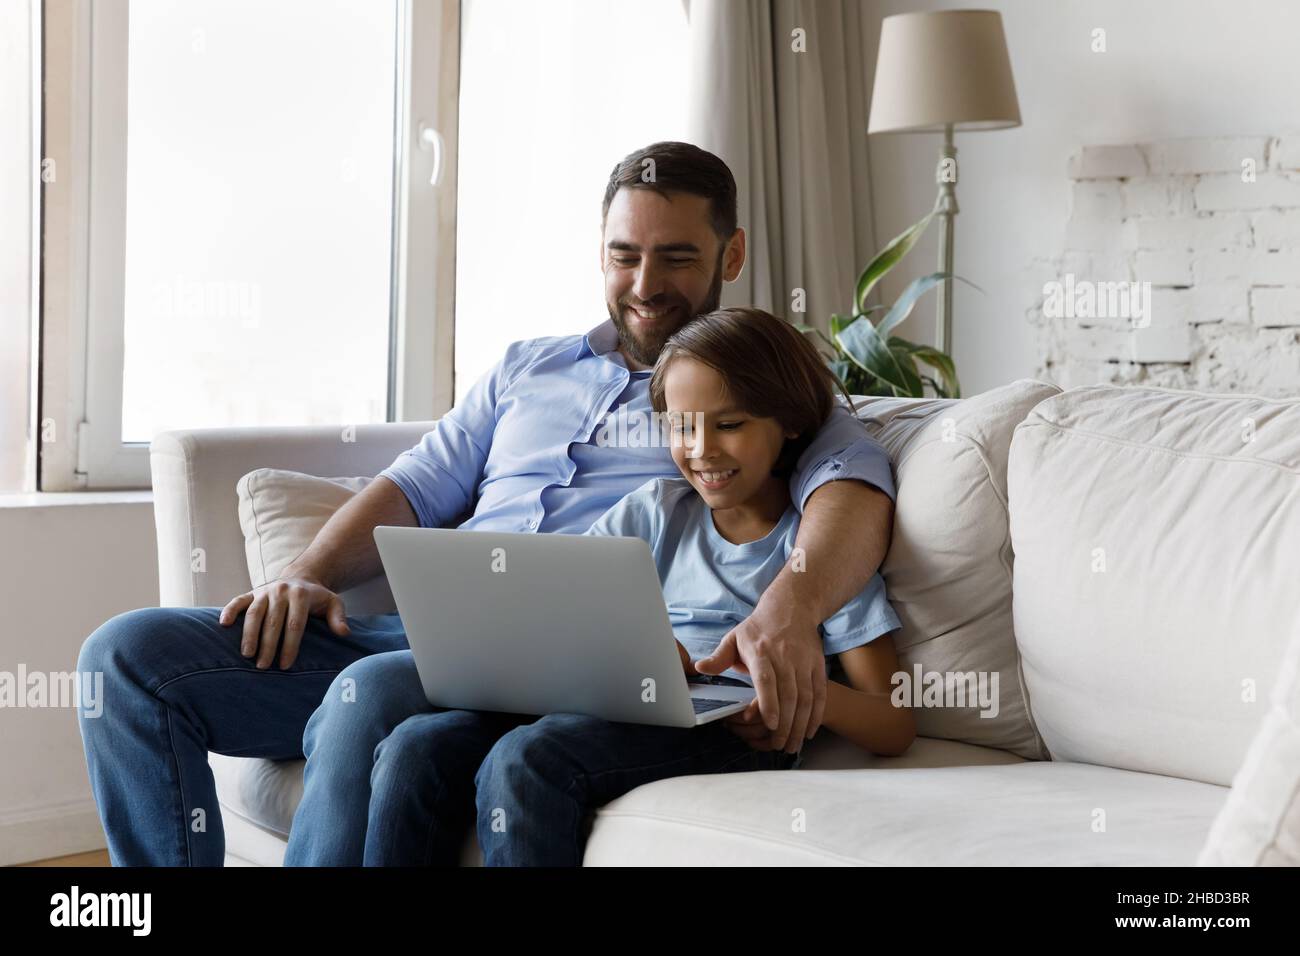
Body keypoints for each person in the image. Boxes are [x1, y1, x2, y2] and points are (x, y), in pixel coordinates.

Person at [76, 141, 897, 866]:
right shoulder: (526, 368)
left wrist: (788, 607)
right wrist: (307, 573)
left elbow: (849, 495)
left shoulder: (753, 396)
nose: (645, 284)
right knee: (126, 658)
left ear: (732, 254)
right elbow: (417, 486)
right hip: (424, 637)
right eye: (624, 255)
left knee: (375, 701)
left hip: (555, 668)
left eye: (677, 257)